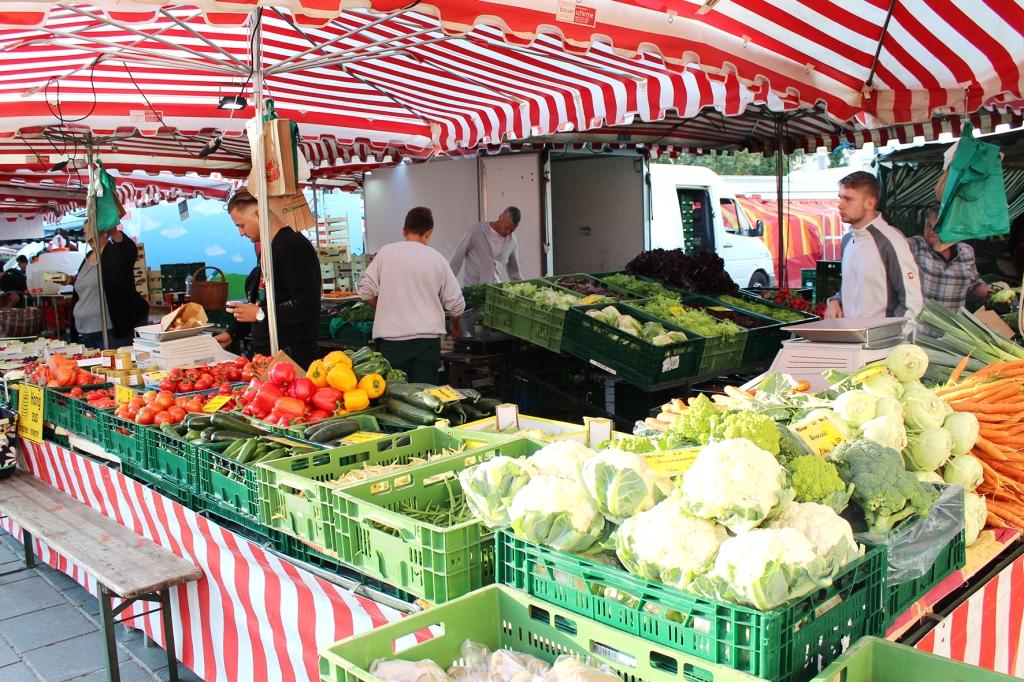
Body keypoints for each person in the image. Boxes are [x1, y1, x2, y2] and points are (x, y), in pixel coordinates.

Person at [358, 207, 465, 384]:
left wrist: (384, 307)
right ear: (429, 232)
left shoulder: (386, 253)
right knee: (424, 399)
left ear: (404, 230)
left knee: (394, 400)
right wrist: (455, 326)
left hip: (392, 343)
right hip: (427, 342)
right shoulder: (437, 259)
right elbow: (456, 304)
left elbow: (365, 290)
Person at [219, 190, 321, 369]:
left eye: (241, 225)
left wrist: (260, 313)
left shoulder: (293, 246)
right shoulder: (269, 248)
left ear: (259, 213)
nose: (241, 233)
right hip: (270, 353)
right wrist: (233, 333)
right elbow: (263, 299)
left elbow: (306, 304)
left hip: (292, 354)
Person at [826, 171, 923, 321]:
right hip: (852, 339)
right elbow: (855, 287)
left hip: (882, 342)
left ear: (870, 203)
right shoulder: (847, 240)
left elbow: (912, 303)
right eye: (840, 197)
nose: (840, 205)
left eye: (848, 199)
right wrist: (835, 300)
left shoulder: (891, 240)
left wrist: (886, 339)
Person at [72, 222, 150, 349]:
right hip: (86, 330)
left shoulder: (115, 253)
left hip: (111, 330)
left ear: (104, 232)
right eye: (86, 233)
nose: (89, 237)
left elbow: (129, 250)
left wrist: (113, 229)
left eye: (93, 233)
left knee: (116, 366)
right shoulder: (87, 257)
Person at [908, 206, 992, 315]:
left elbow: (974, 283)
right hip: (922, 326)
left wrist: (995, 295)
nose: (931, 231)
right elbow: (894, 243)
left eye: (938, 227)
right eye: (928, 225)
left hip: (953, 325)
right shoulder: (916, 246)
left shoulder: (966, 252)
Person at [449, 206, 523, 285]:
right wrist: (447, 284)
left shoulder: (512, 241)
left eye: (512, 230)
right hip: (474, 290)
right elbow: (456, 259)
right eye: (506, 228)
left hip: (495, 292)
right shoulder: (477, 231)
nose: (508, 232)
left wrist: (525, 290)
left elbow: (515, 272)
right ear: (500, 216)